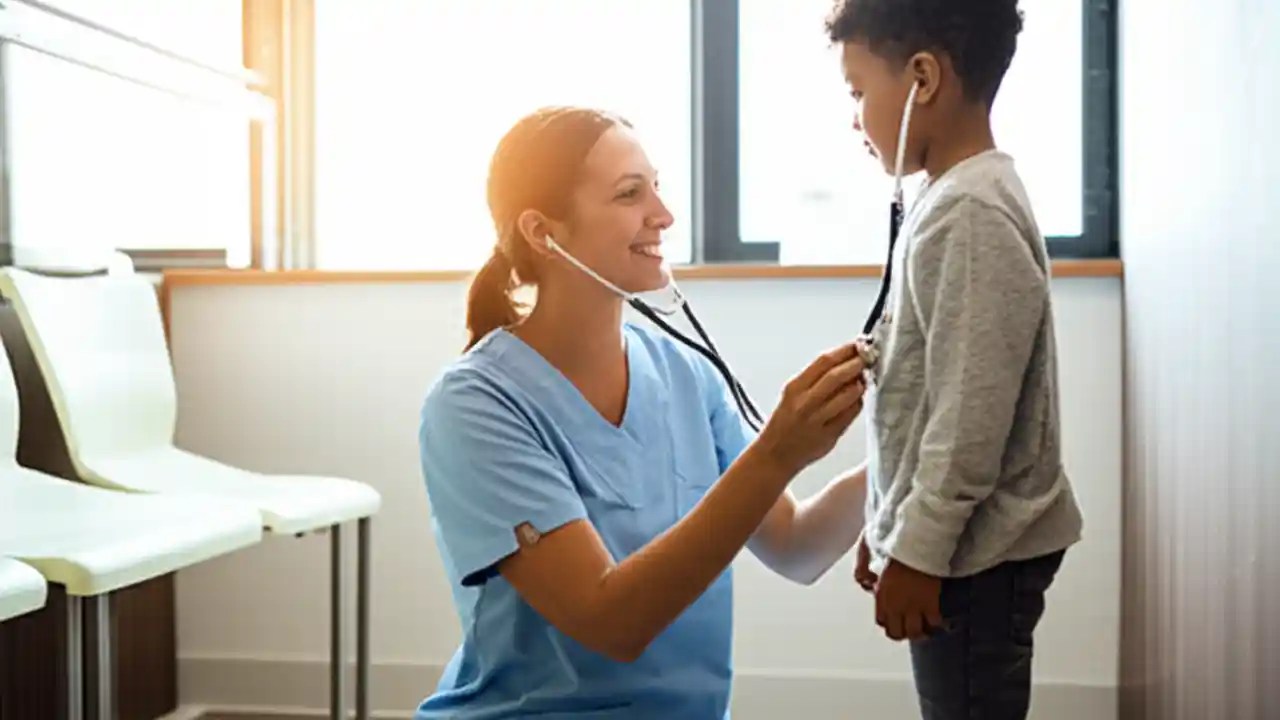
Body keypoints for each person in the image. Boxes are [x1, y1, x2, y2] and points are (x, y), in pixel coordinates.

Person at [416, 106, 871, 719]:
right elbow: (611, 622)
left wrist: (915, 452)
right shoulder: (475, 405)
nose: (664, 215)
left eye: (656, 188)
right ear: (542, 232)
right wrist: (777, 453)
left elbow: (798, 546)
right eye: (631, 194)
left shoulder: (686, 374)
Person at [827, 1, 1085, 718]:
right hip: (958, 548)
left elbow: (968, 420)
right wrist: (888, 522)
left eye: (857, 91)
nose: (854, 117)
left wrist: (917, 552)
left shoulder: (970, 213)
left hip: (977, 560)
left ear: (922, 79)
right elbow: (932, 391)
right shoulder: (951, 199)